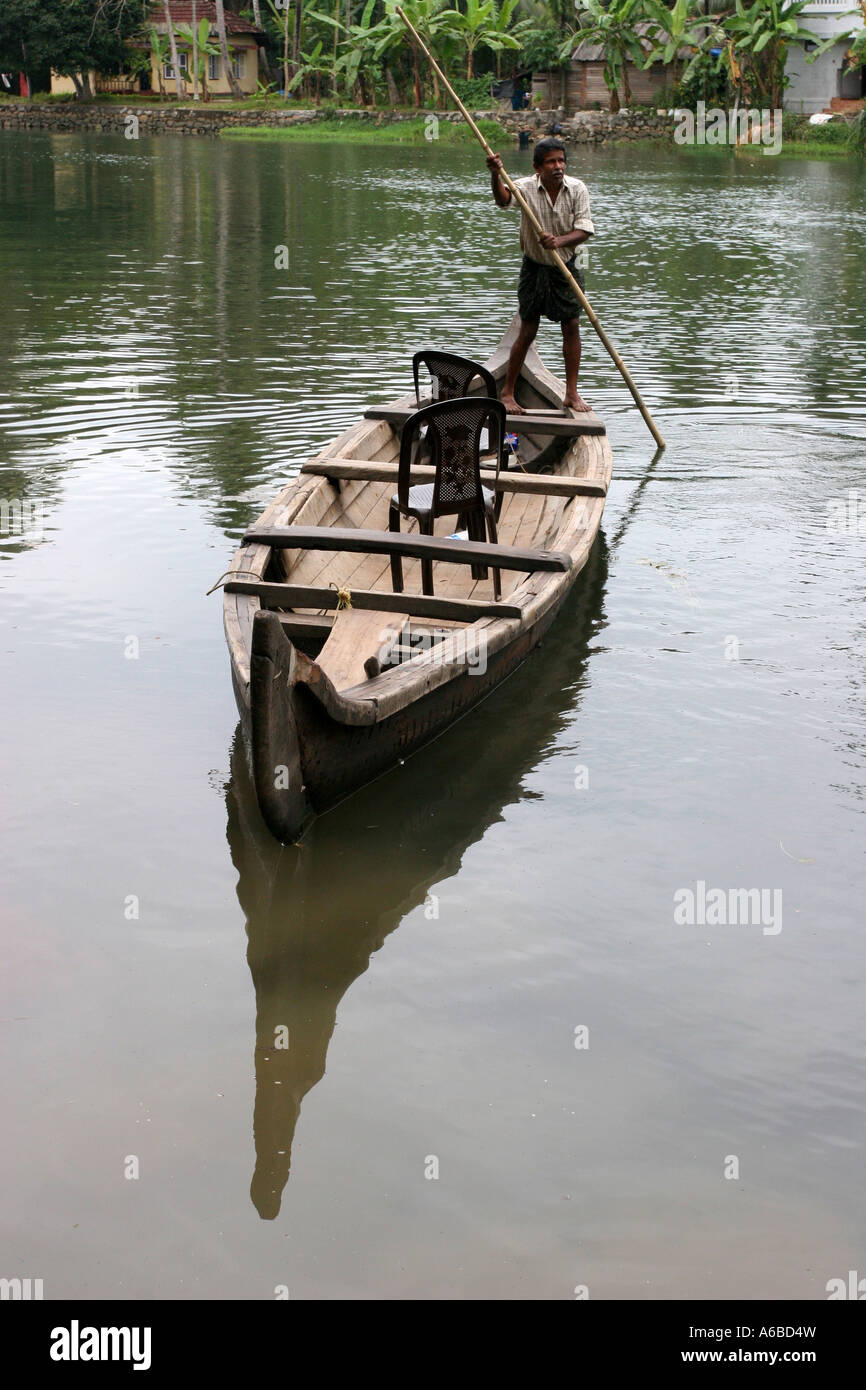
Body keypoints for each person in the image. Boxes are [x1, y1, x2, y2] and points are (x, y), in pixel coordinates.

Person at [486, 137, 594, 414]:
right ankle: (508, 392)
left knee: (571, 324)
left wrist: (559, 241)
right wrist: (495, 174)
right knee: (528, 326)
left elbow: (584, 230)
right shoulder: (524, 187)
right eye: (551, 162)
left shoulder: (578, 189)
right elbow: (502, 200)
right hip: (534, 267)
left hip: (565, 267)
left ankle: (571, 393)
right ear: (538, 167)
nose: (558, 166)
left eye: (561, 160)